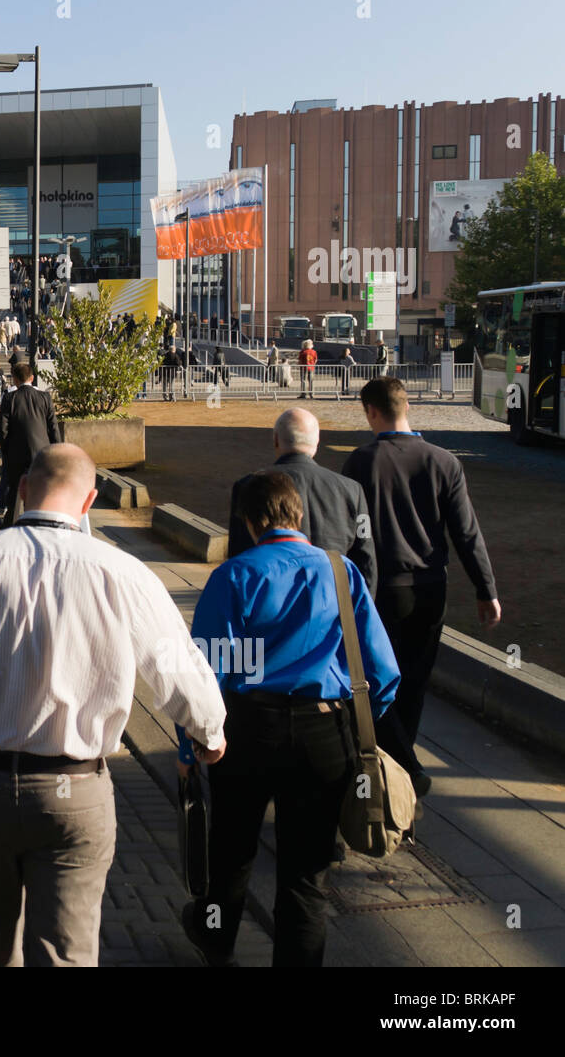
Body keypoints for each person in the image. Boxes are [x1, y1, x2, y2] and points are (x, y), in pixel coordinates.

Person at [0, 444, 227, 966]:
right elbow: (178, 668)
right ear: (91, 499)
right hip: (77, 793)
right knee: (67, 951)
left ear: (23, 488)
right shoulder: (125, 573)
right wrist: (208, 732)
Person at [182, 470, 399, 968]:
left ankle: (215, 942)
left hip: (248, 729)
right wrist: (360, 724)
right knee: (306, 874)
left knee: (231, 855)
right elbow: (384, 672)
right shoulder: (343, 571)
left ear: (252, 521)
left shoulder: (233, 576)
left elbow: (206, 671)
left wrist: (189, 746)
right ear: (297, 515)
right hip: (325, 731)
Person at [342, 378, 500, 796]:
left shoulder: (360, 463)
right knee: (414, 682)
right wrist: (487, 590)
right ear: (406, 406)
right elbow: (466, 533)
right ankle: (405, 769)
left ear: (371, 411)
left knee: (376, 680)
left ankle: (400, 770)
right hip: (431, 588)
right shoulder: (444, 462)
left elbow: (350, 535)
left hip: (379, 590)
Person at [227, 407, 376, 593]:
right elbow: (366, 558)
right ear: (317, 441)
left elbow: (238, 554)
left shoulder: (249, 486)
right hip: (333, 602)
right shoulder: (351, 490)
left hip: (272, 600)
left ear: (275, 440)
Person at [0, 361, 60, 527]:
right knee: (40, 492)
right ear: (32, 378)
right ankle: (39, 523)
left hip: (16, 453)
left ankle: (11, 525)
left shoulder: (10, 398)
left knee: (15, 494)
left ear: (15, 379)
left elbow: (2, 429)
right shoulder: (45, 397)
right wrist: (56, 451)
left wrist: (7, 450)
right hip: (42, 453)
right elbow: (53, 428)